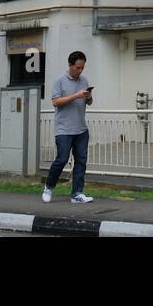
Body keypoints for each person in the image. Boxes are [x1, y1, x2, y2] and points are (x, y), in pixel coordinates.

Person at [43, 51, 94, 204]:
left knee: (81, 161)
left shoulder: (84, 80)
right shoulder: (60, 80)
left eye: (82, 68)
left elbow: (89, 102)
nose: (80, 71)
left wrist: (88, 97)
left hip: (81, 129)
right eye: (78, 67)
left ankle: (77, 193)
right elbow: (55, 102)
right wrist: (76, 95)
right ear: (70, 65)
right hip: (64, 129)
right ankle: (48, 187)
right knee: (62, 159)